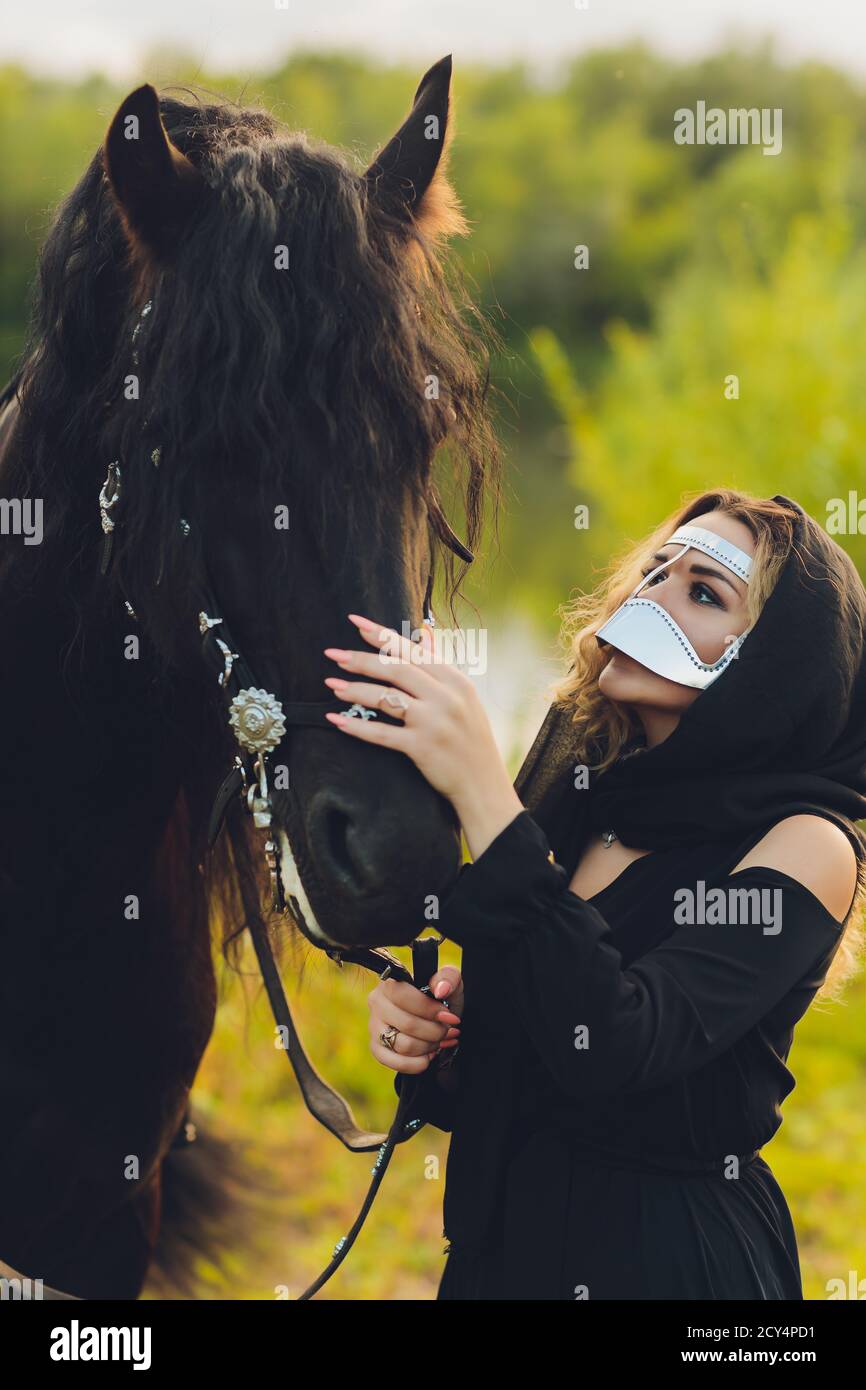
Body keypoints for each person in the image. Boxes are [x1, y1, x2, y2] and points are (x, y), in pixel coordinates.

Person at [323, 488, 866, 1300]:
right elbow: (540, 1053)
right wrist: (442, 1037)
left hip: (667, 1265)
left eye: (704, 592)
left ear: (774, 673)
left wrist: (482, 790)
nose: (652, 594)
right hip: (504, 1254)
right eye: (656, 569)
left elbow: (619, 1042)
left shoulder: (807, 845)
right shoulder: (587, 792)